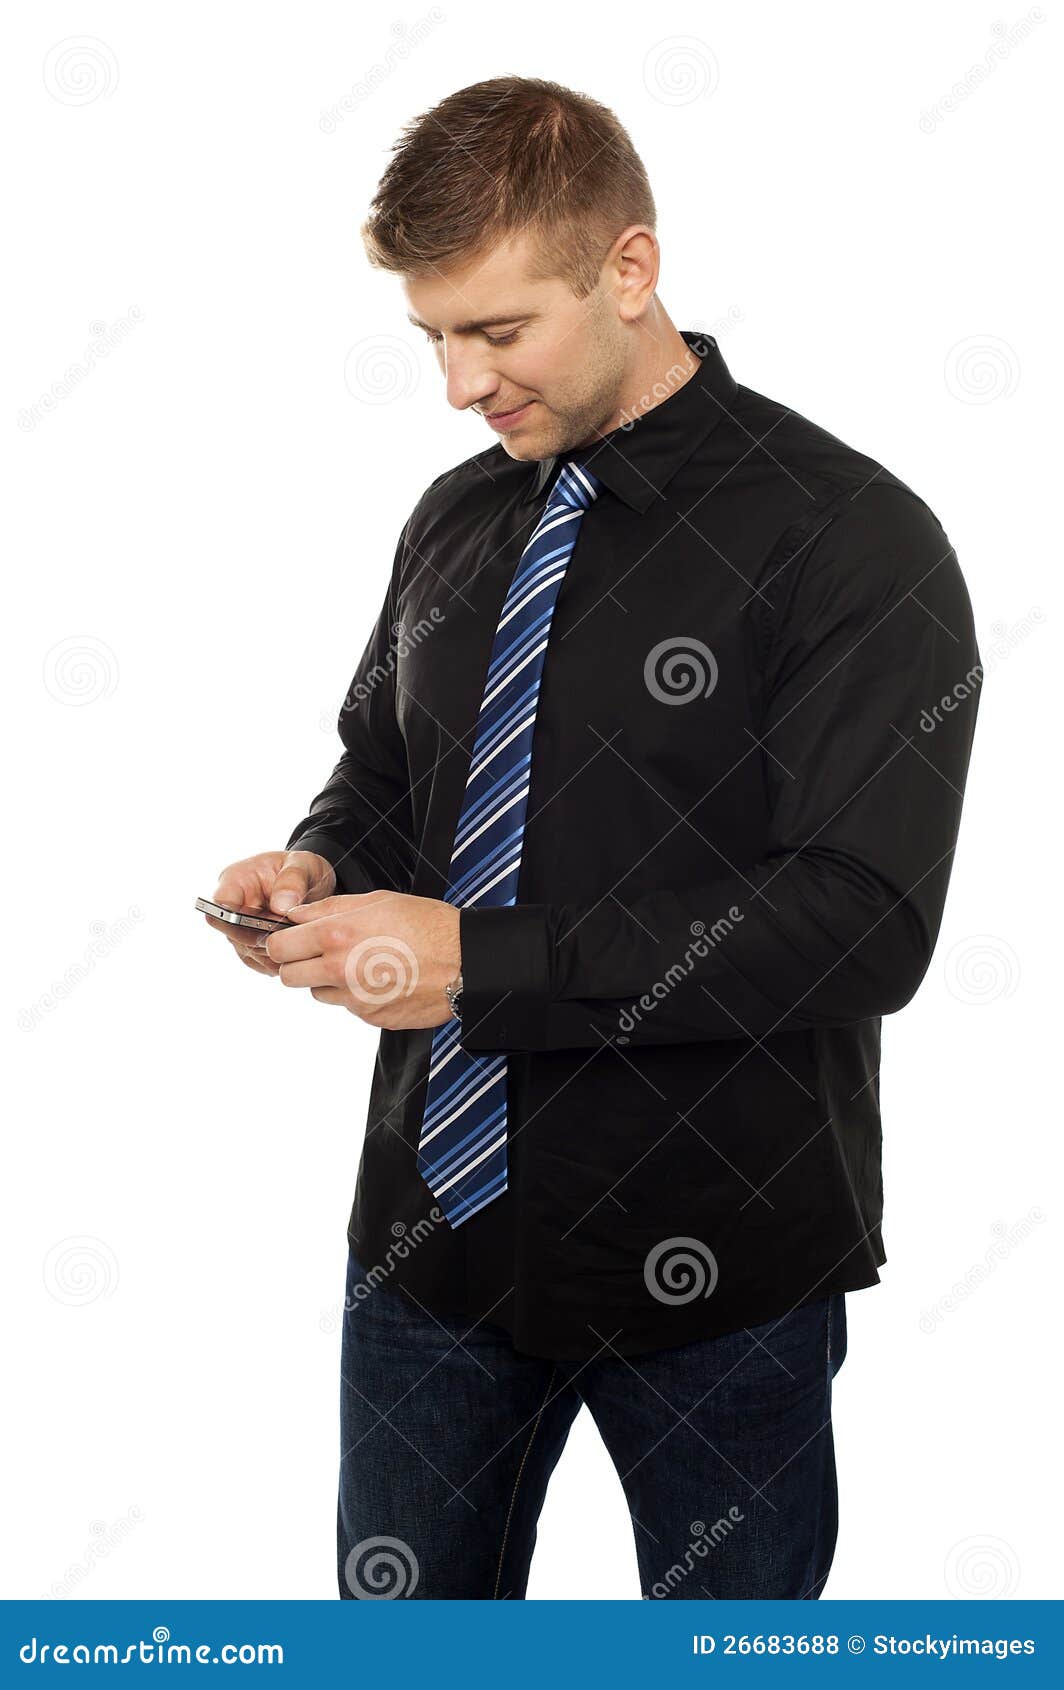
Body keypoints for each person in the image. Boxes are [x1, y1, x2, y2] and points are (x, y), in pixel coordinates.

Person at [205, 76, 981, 1600]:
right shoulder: (455, 513)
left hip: (719, 1272)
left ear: (630, 270)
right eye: (433, 336)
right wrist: (318, 860)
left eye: (498, 333)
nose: (457, 384)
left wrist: (475, 961)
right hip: (430, 1252)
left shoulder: (847, 535)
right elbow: (385, 768)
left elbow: (863, 919)